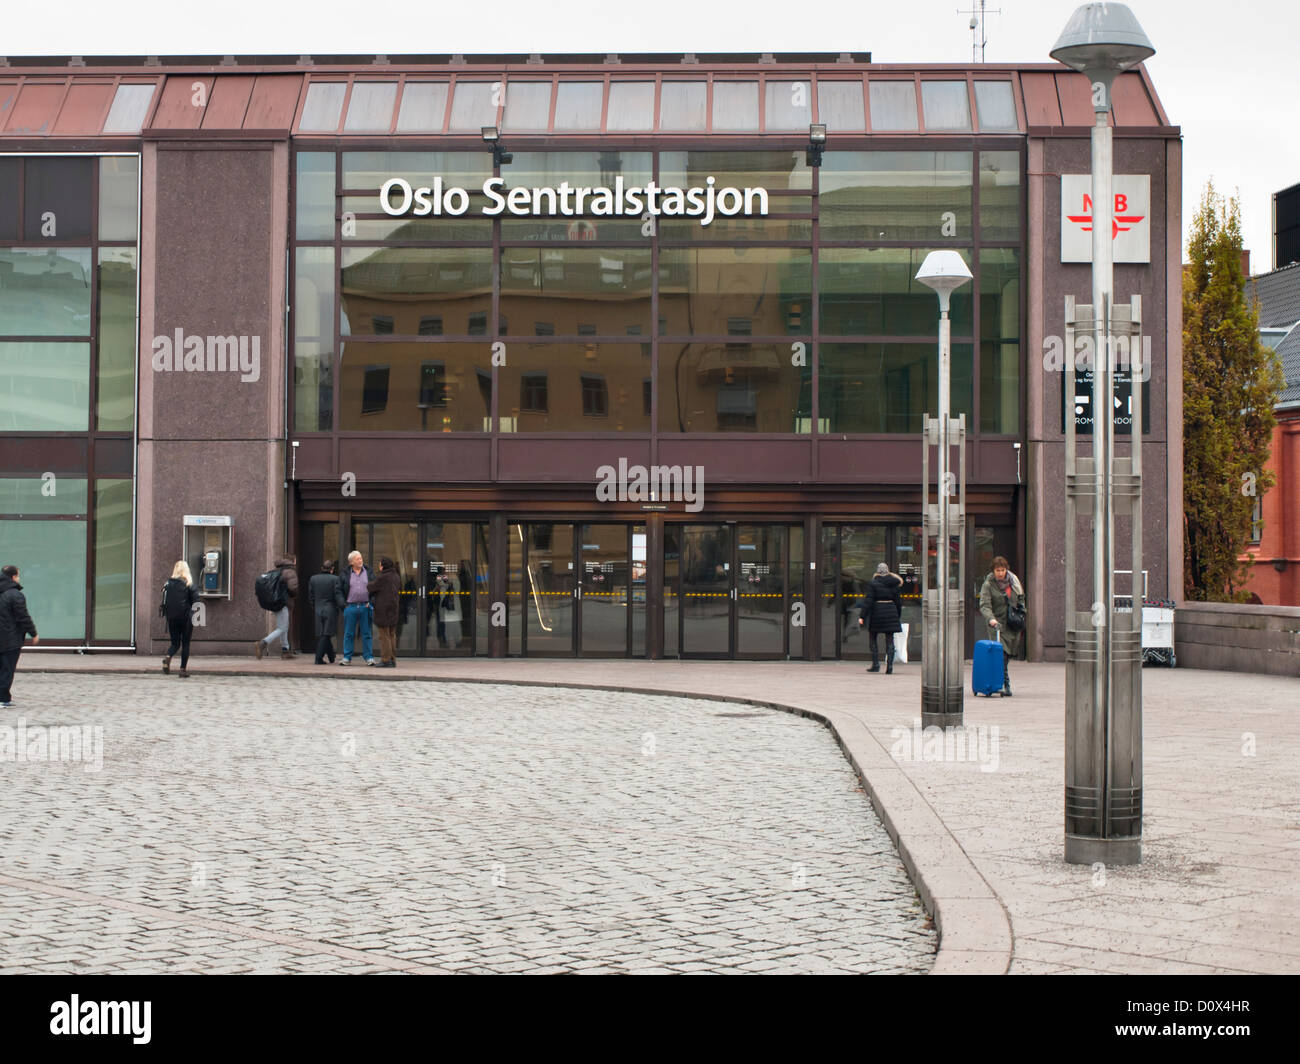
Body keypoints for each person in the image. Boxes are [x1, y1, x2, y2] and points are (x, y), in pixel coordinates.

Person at [979, 555, 1024, 697]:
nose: (1000, 573)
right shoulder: (988, 584)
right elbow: (984, 605)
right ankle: (1005, 684)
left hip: (1013, 623)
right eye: (997, 570)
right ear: (993, 571)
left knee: (1008, 654)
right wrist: (991, 619)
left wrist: (1022, 612)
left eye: (1002, 570)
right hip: (997, 625)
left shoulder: (1013, 581)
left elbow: (1021, 599)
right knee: (1001, 655)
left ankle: (1000, 681)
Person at [0, 564, 38, 708]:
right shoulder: (15, 595)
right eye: (18, 575)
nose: (19, 578)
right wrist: (33, 633)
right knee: (7, 669)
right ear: (14, 577)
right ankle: (3, 698)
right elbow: (23, 617)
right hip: (10, 639)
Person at [254, 552, 299, 661]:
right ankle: (263, 643)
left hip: (275, 602)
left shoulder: (277, 570)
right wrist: (293, 595)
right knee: (282, 627)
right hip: (284, 602)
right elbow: (293, 588)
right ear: (293, 561)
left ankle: (285, 650)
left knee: (284, 626)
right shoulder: (290, 571)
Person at [160, 560, 200, 677]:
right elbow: (196, 602)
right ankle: (182, 670)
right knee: (185, 643)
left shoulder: (168, 583)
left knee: (175, 643)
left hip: (172, 617)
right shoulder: (189, 583)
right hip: (186, 618)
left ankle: (168, 657)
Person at [862, 562, 904, 674]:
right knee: (890, 639)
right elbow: (898, 602)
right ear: (887, 570)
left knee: (873, 636)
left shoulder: (873, 583)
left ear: (878, 571)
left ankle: (875, 664)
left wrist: (863, 615)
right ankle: (890, 666)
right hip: (891, 611)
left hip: (877, 612)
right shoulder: (894, 583)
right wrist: (897, 615)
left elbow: (868, 600)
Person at [339, 550, 375, 666]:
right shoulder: (345, 573)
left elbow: (375, 588)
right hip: (351, 607)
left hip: (365, 606)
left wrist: (371, 602)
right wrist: (343, 605)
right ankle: (347, 657)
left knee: (367, 633)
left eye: (361, 558)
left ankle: (369, 657)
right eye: (358, 559)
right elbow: (338, 590)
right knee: (349, 633)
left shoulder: (369, 572)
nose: (361, 560)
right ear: (351, 562)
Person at [308, 560, 345, 665]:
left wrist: (314, 606)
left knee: (324, 634)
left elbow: (311, 596)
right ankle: (318, 658)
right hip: (331, 609)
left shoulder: (313, 578)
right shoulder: (335, 579)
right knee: (326, 634)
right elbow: (337, 595)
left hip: (318, 609)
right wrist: (341, 607)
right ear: (332, 569)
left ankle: (331, 656)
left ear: (322, 568)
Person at [368, 557, 401, 668]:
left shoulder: (383, 577)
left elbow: (371, 587)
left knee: (384, 635)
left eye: (380, 564)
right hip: (393, 608)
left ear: (383, 566)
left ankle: (385, 659)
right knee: (392, 635)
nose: (379, 566)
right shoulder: (396, 576)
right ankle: (392, 659)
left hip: (383, 610)